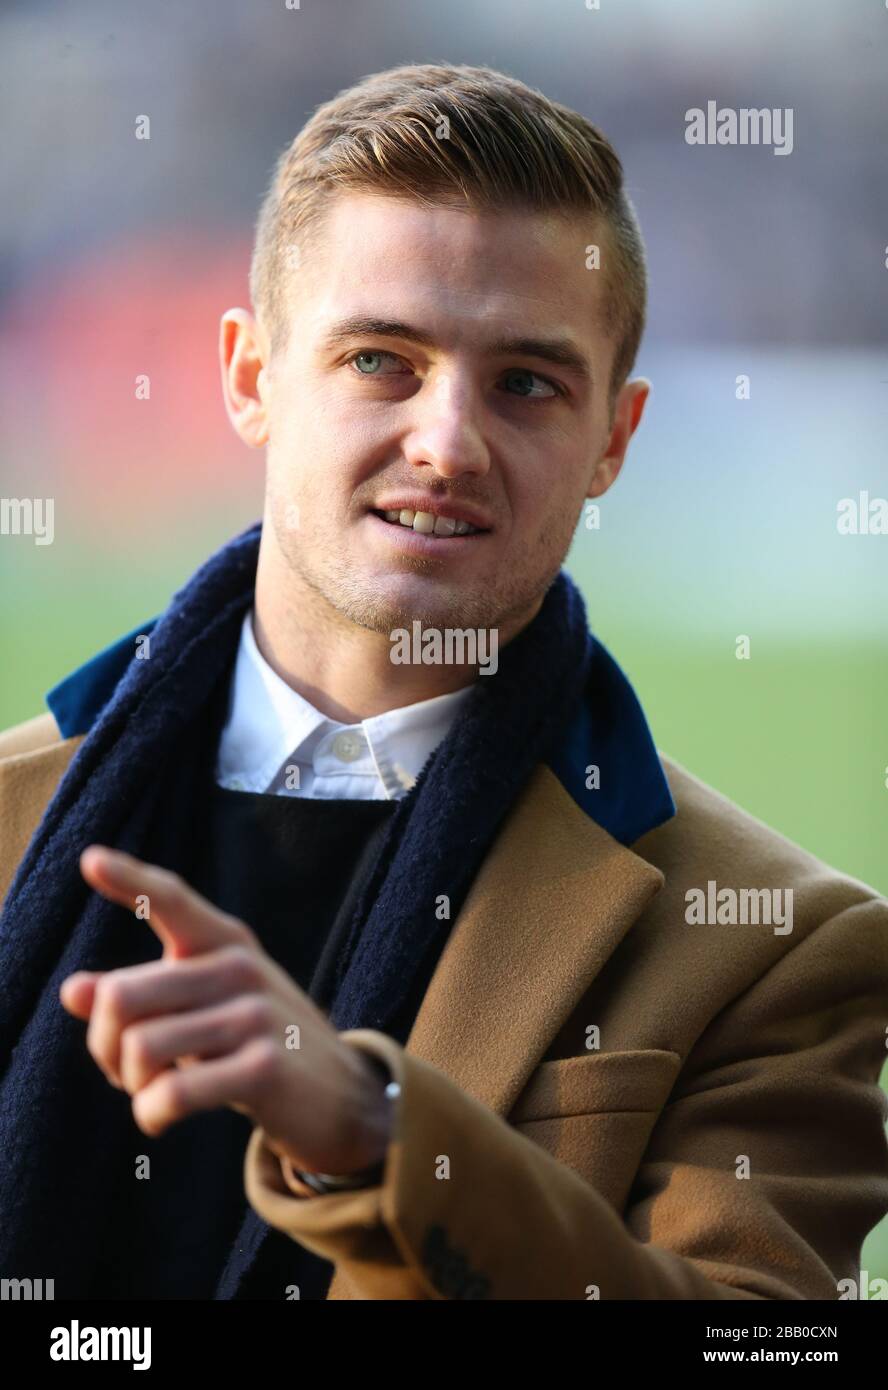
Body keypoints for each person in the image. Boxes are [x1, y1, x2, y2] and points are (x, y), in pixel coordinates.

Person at [1, 62, 886, 1302]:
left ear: (613, 442)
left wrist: (377, 1135)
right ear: (251, 378)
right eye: (380, 360)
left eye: (526, 383)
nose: (449, 442)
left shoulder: (777, 945)